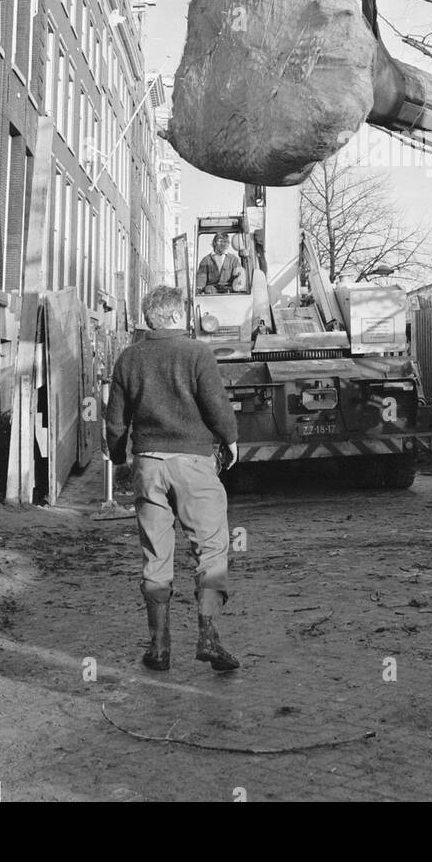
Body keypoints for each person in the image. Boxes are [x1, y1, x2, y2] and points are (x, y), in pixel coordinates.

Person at [106, 286, 241, 672]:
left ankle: (159, 648)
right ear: (179, 315)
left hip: (148, 465)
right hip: (193, 464)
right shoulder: (197, 353)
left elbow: (115, 421)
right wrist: (230, 441)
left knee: (155, 555)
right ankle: (208, 638)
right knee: (211, 550)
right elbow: (217, 407)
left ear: (148, 318)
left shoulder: (129, 358)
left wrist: (119, 457)